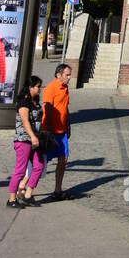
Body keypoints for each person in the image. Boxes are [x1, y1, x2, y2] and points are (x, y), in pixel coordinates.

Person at [8, 75, 45, 208]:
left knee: (39, 166)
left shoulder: (35, 100)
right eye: (38, 86)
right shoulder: (23, 101)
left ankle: (28, 195)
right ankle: (11, 199)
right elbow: (25, 121)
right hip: (23, 139)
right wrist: (33, 136)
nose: (40, 89)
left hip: (34, 140)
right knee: (20, 170)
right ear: (30, 87)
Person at [41, 62, 73, 200]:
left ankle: (58, 190)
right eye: (67, 75)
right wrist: (47, 132)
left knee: (63, 159)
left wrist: (68, 125)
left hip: (62, 131)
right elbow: (47, 111)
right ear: (58, 75)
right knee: (41, 161)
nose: (70, 77)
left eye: (70, 75)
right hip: (50, 132)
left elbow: (65, 108)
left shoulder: (65, 88)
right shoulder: (50, 89)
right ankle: (24, 188)